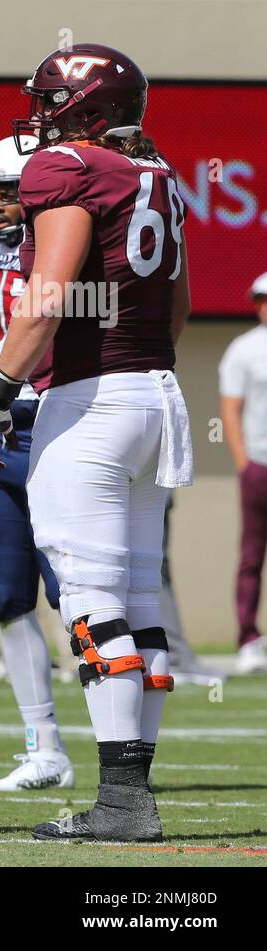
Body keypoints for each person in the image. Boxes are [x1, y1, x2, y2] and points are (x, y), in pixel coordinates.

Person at [0, 44, 192, 841]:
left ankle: (122, 802)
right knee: (137, 597)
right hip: (154, 394)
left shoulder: (68, 169)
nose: (37, 118)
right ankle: (132, 791)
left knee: (92, 595)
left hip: (90, 400)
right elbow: (180, 305)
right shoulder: (160, 176)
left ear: (87, 111)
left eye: (49, 102)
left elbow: (48, 296)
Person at [0, 136, 72, 791]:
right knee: (5, 594)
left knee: (77, 594)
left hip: (51, 419)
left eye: (12, 192)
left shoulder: (63, 245)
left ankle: (124, 754)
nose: (0, 206)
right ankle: (43, 749)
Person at [217, 272, 267, 674]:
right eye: (262, 300)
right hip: (259, 464)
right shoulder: (243, 350)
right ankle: (248, 638)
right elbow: (230, 409)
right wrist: (242, 461)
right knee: (252, 554)